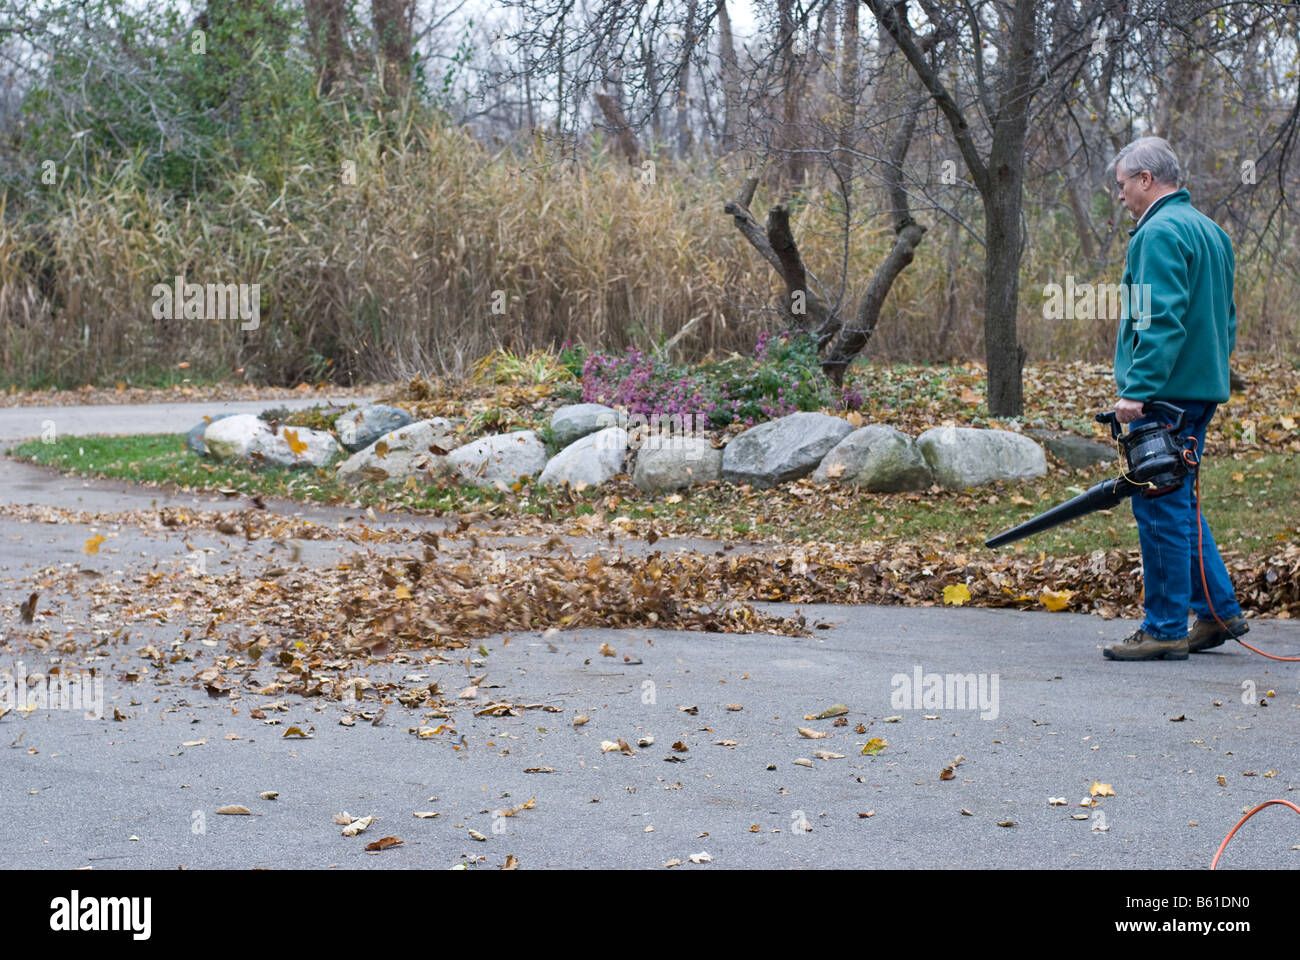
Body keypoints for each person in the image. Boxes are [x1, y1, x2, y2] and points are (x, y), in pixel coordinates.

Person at [1102, 136, 1248, 661]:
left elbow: (1159, 320)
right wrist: (1206, 370)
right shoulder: (1211, 232)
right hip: (1200, 389)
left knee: (1158, 503)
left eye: (1122, 185)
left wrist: (1136, 392)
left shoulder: (1157, 232)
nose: (1119, 196)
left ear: (1146, 179)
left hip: (1166, 395)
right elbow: (1225, 320)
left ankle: (1163, 629)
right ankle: (1217, 613)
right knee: (1179, 500)